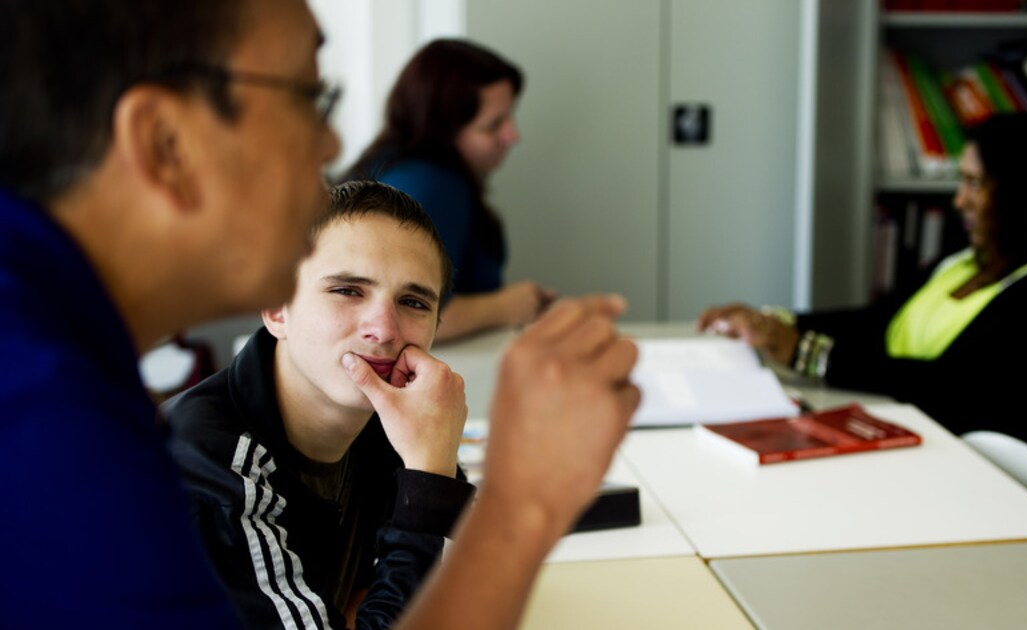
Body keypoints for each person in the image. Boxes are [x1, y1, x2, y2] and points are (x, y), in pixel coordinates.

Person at [0, 1, 639, 628]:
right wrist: (520, 504)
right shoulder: (52, 430)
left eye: (415, 300)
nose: (333, 140)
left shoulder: (66, 369)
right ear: (164, 142)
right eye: (309, 97)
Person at [698, 112, 1027, 458]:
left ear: (1024, 192)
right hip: (903, 441)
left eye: (975, 183)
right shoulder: (967, 261)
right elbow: (877, 322)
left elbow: (952, 388)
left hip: (966, 472)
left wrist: (807, 353)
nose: (959, 200)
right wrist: (773, 322)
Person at [163, 181, 474, 629]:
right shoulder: (211, 465)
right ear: (276, 309)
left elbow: (448, 568)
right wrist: (427, 475)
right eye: (347, 290)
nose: (384, 330)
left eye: (412, 302)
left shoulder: (384, 422)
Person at [342, 38, 556, 342]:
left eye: (510, 115)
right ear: (442, 130)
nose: (512, 135)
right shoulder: (433, 184)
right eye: (493, 125)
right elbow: (404, 315)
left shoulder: (397, 167)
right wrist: (507, 305)